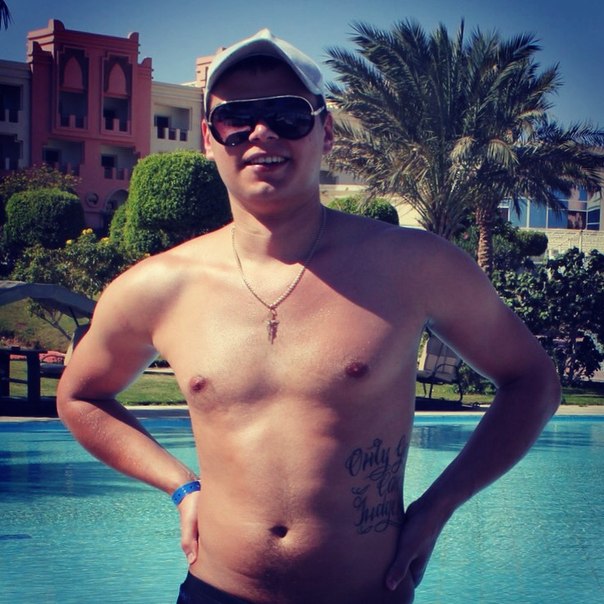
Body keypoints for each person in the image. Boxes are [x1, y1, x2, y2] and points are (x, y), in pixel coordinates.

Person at [57, 28, 561, 604]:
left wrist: (440, 504)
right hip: (215, 592)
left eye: (288, 115)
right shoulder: (158, 286)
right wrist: (180, 485)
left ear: (326, 130)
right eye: (235, 118)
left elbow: (533, 382)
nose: (261, 133)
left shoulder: (413, 265)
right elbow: (80, 396)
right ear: (208, 138)